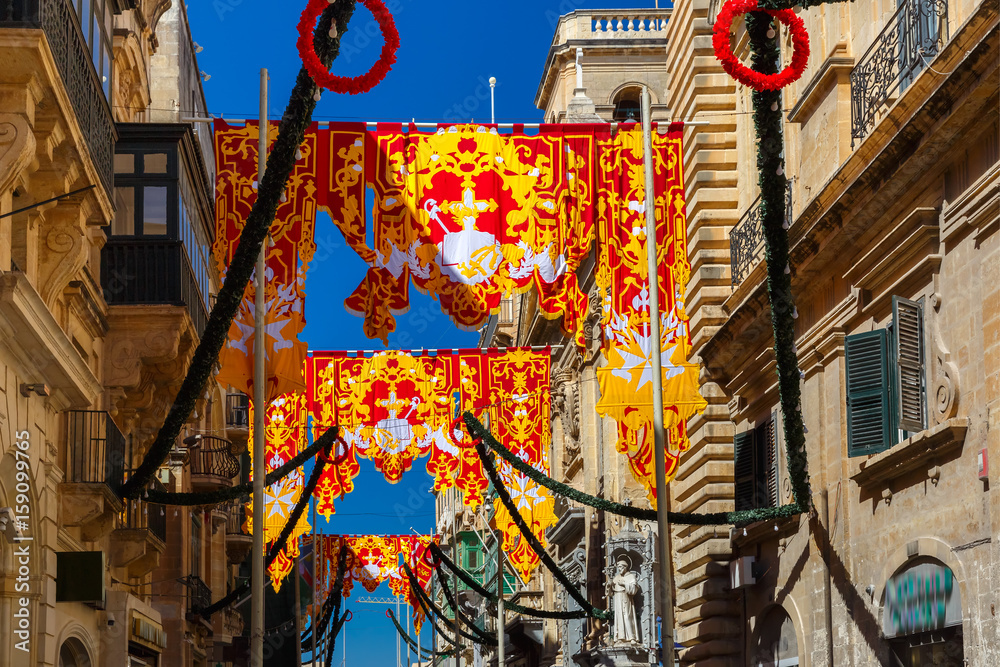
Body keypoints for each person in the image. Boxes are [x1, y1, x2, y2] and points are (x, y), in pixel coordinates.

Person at [612, 554, 640, 644]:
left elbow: (634, 589)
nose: (619, 569)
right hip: (617, 597)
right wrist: (609, 585)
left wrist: (624, 584)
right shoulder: (616, 578)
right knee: (619, 618)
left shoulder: (631, 576)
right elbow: (610, 592)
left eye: (621, 567)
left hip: (626, 597)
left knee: (627, 616)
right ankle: (620, 637)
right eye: (618, 567)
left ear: (625, 567)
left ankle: (632, 637)